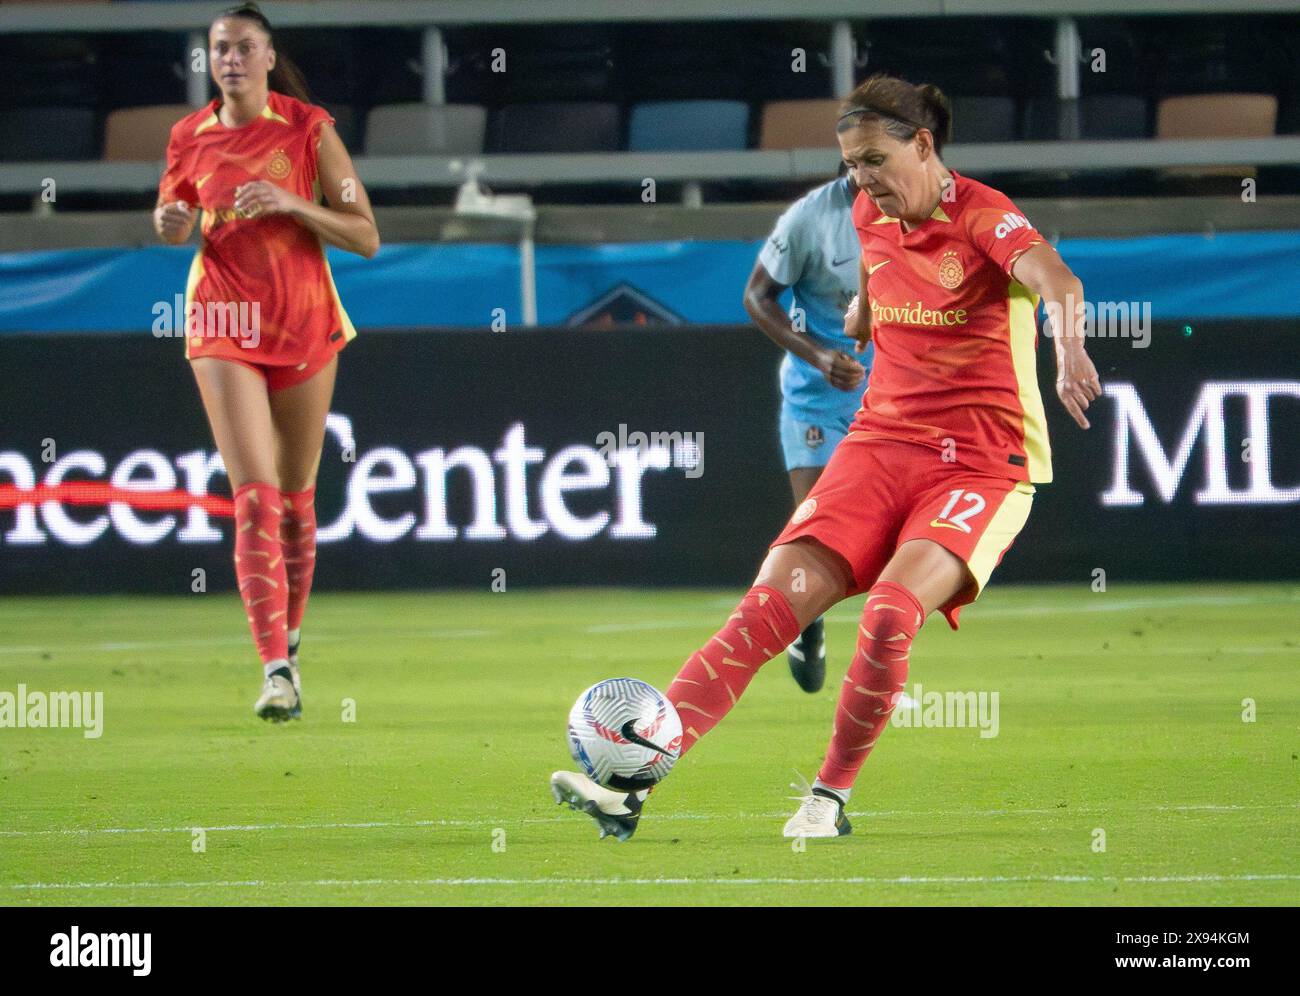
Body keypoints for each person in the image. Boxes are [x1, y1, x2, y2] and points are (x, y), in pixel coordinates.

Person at [551, 73, 1102, 840]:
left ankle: (829, 798)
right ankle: (633, 786)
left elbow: (1058, 280)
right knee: (763, 612)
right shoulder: (866, 214)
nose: (862, 179)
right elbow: (878, 284)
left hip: (980, 464)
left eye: (875, 159)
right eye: (850, 164)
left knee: (886, 616)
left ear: (923, 143)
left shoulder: (982, 214)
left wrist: (1070, 349)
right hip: (877, 449)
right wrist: (861, 315)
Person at [153, 3, 379, 721]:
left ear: (268, 56)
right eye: (221, 48)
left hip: (304, 319)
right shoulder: (187, 137)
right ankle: (275, 669)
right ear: (209, 60)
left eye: (245, 47)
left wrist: (292, 202)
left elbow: (366, 235)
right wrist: (168, 224)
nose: (231, 59)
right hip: (222, 320)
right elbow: (177, 215)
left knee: (294, 503)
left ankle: (293, 641)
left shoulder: (308, 131)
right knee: (253, 495)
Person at [743, 167, 870, 693]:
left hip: (894, 396)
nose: (876, 172)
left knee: (895, 529)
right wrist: (819, 356)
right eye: (864, 162)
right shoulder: (809, 218)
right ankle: (809, 627)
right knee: (815, 530)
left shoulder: (922, 208)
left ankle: (883, 656)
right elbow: (757, 296)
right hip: (816, 398)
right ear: (849, 168)